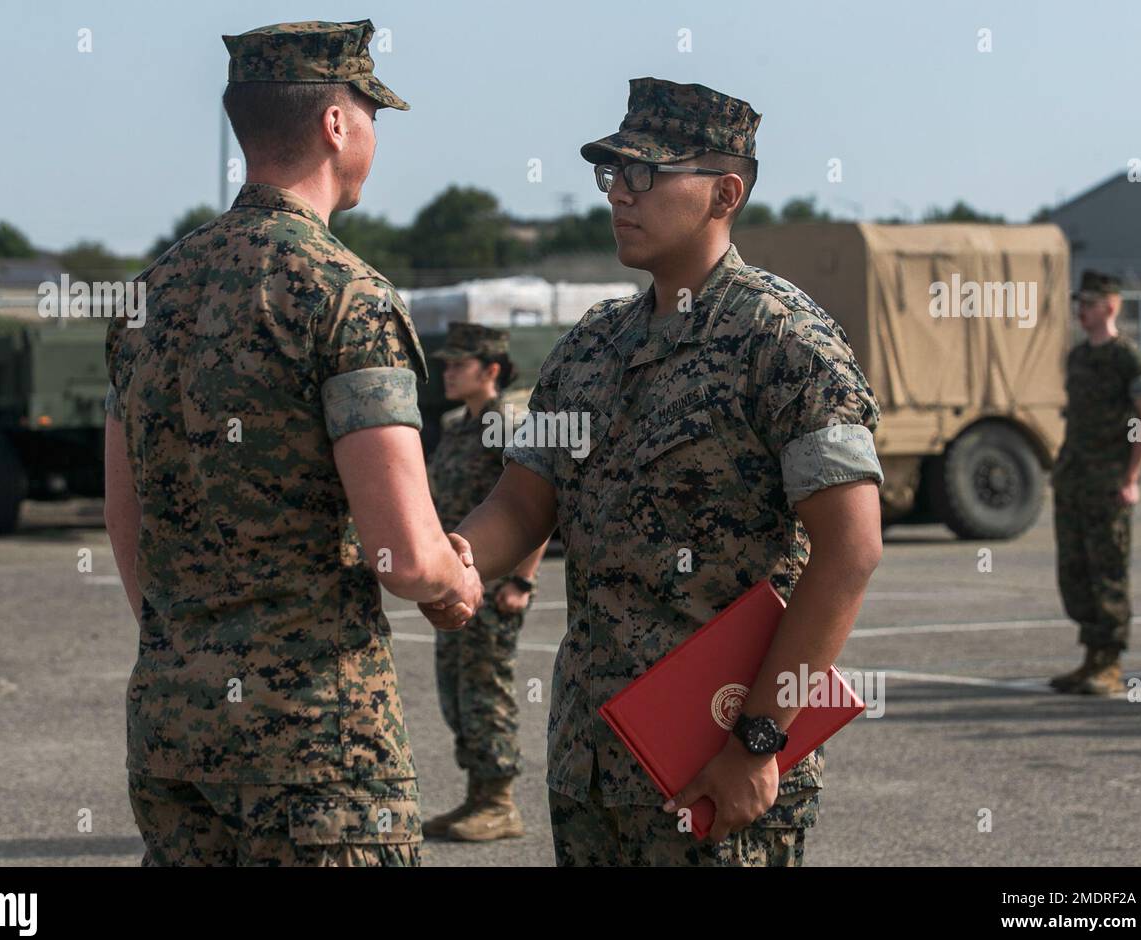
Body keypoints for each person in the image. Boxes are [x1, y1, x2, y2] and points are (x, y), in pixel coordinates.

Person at [423, 78, 885, 866]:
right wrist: (458, 564)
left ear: (724, 193)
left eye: (645, 174)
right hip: (593, 761)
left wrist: (759, 740)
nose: (619, 196)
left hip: (715, 763)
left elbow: (850, 550)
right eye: (613, 175)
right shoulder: (593, 344)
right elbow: (525, 500)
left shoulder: (784, 342)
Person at [103, 19, 482, 866]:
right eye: (373, 112)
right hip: (316, 746)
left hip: (171, 728)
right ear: (337, 124)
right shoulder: (346, 298)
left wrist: (188, 646)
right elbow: (403, 551)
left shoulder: (148, 296)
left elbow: (125, 519)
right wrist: (455, 581)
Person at [423, 322, 549, 841]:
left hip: (495, 587)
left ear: (491, 370)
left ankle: (499, 803)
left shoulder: (508, 422)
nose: (448, 372)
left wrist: (522, 580)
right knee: (456, 691)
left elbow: (537, 501)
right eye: (447, 363)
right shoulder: (456, 425)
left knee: (486, 691)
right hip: (454, 584)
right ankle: (478, 796)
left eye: (459, 364)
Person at [1050, 269, 1141, 696]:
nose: (1081, 310)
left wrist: (1131, 475)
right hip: (1074, 479)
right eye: (1079, 303)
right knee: (1074, 571)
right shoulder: (1079, 357)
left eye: (1090, 304)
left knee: (1108, 571)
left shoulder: (1127, 358)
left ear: (1111, 306)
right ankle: (1091, 656)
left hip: (1109, 482)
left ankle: (1110, 663)